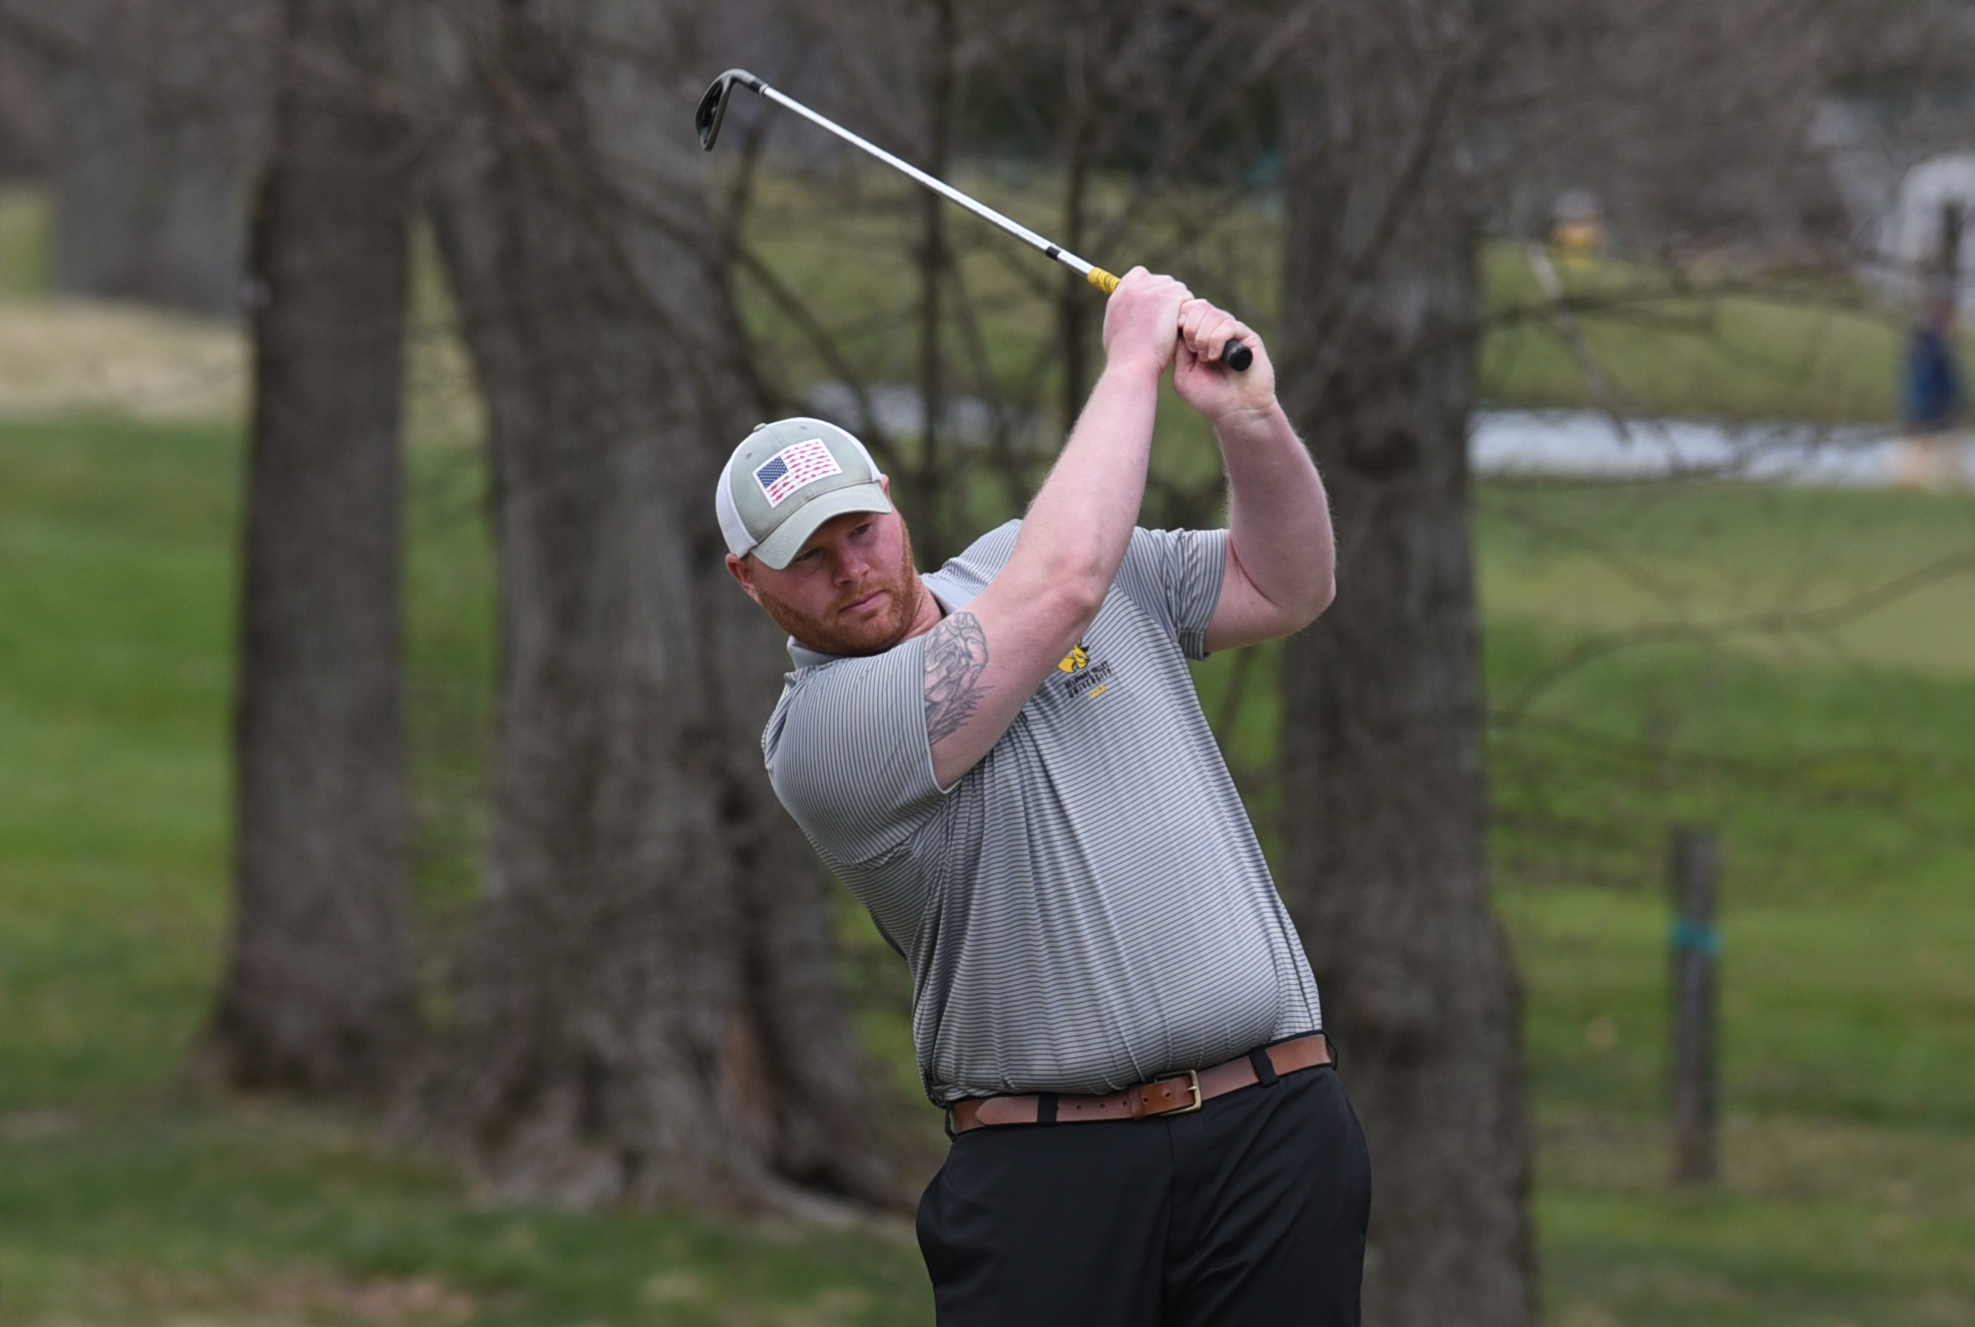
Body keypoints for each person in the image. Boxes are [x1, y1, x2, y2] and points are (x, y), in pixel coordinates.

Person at [716, 269, 1368, 1325]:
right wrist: (1130, 364)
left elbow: (1287, 584)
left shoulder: (1033, 553)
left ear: (890, 498)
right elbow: (1064, 586)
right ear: (750, 581)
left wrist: (1250, 423)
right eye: (808, 558)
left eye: (858, 529)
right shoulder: (822, 736)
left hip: (1273, 1128)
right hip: (1048, 1174)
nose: (851, 569)